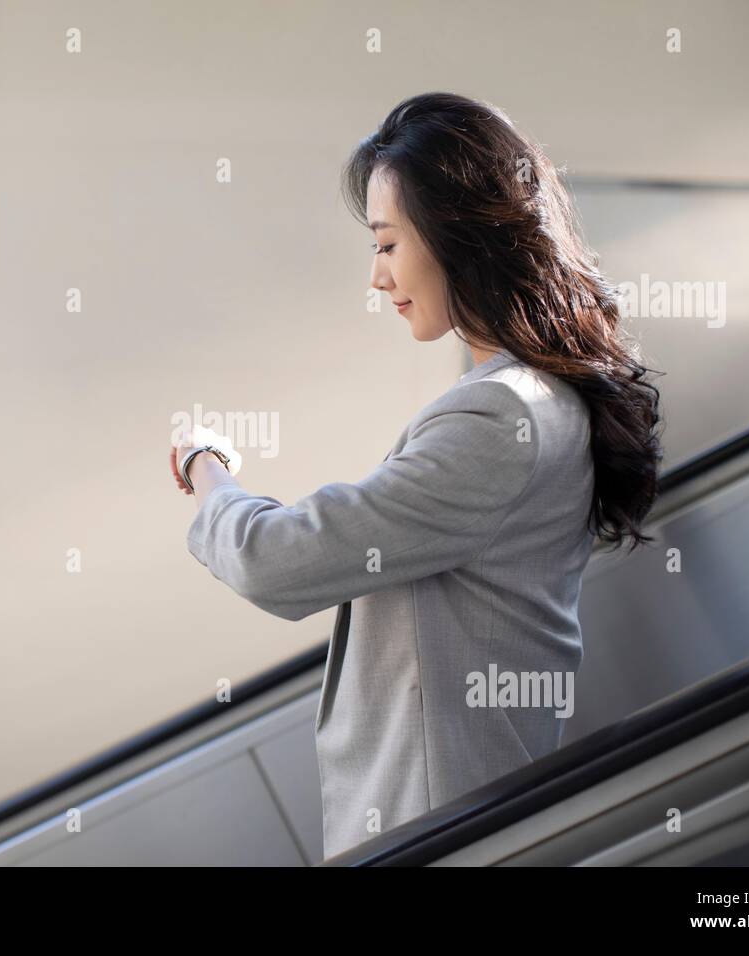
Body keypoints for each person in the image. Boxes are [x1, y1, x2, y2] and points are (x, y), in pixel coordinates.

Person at [171, 92, 663, 862]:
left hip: (437, 824)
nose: (377, 278)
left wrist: (208, 468)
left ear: (458, 237)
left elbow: (277, 559)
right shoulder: (544, 398)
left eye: (388, 244)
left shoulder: (498, 417)